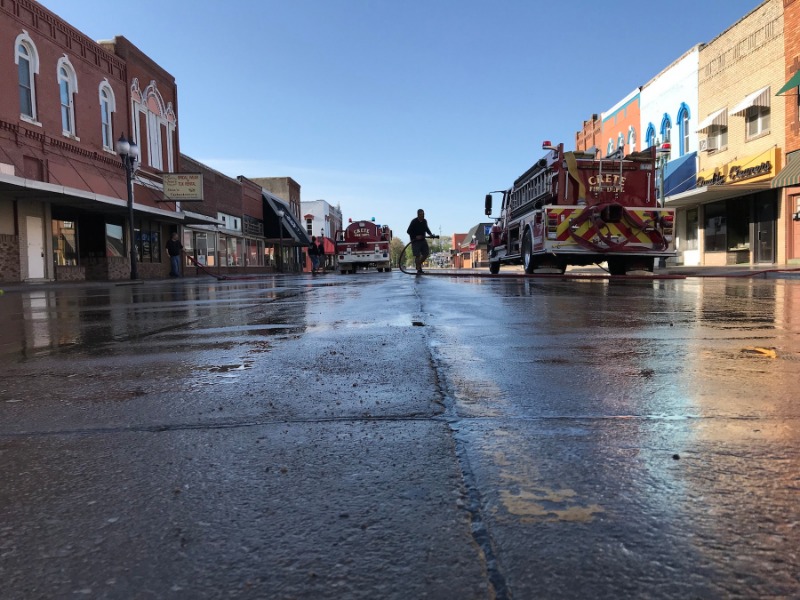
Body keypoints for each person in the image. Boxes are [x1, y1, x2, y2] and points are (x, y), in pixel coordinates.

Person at [406, 209, 434, 274]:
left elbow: (426, 228)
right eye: (421, 214)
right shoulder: (414, 221)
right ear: (418, 215)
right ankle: (419, 269)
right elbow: (408, 231)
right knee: (417, 255)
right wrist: (416, 236)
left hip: (423, 240)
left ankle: (418, 265)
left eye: (423, 214)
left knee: (426, 253)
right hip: (415, 241)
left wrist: (430, 234)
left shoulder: (424, 221)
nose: (422, 216)